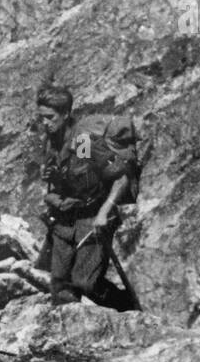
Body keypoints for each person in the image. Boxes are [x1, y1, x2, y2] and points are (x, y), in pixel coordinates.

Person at [35, 85, 137, 309]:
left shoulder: (82, 141)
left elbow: (120, 178)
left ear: (65, 114)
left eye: (50, 117)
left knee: (85, 282)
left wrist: (104, 213)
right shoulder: (52, 140)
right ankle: (66, 334)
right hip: (64, 220)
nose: (45, 123)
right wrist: (53, 177)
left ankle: (127, 311)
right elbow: (79, 176)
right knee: (60, 284)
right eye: (41, 117)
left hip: (91, 218)